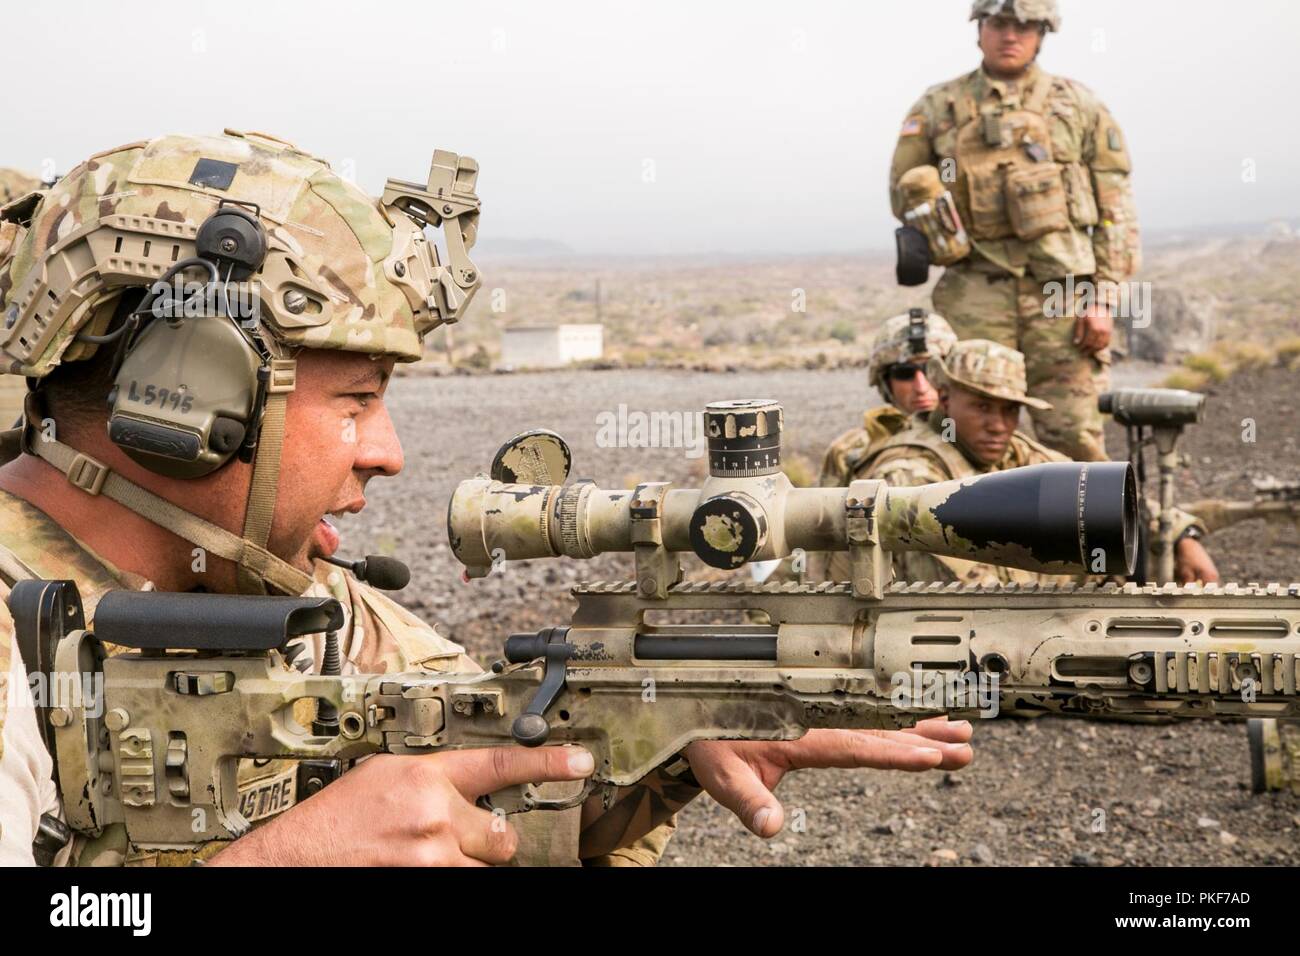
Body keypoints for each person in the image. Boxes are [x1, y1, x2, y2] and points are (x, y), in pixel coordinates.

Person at [0, 131, 972, 868]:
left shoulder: (303, 608)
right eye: (356, 401)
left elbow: (498, 784)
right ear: (187, 395)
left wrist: (665, 736)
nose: (388, 451)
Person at [888, 0, 1140, 462]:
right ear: (980, 29)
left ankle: (1091, 534)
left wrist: (1102, 299)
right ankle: (961, 531)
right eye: (1000, 24)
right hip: (974, 289)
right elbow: (903, 194)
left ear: (1042, 34)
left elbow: (1115, 211)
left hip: (1061, 297)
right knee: (964, 437)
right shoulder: (938, 106)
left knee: (1073, 434)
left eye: (1025, 26)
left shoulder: (1078, 105)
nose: (1011, 35)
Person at [854, 340, 1219, 587]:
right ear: (945, 400)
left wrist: (1179, 536)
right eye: (982, 407)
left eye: (1010, 410)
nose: (999, 425)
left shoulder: (1016, 453)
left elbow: (1096, 496)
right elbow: (978, 596)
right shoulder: (907, 475)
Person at [819, 308, 957, 488]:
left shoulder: (981, 436)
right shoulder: (850, 451)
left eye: (932, 370)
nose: (921, 387)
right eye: (904, 373)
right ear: (885, 382)